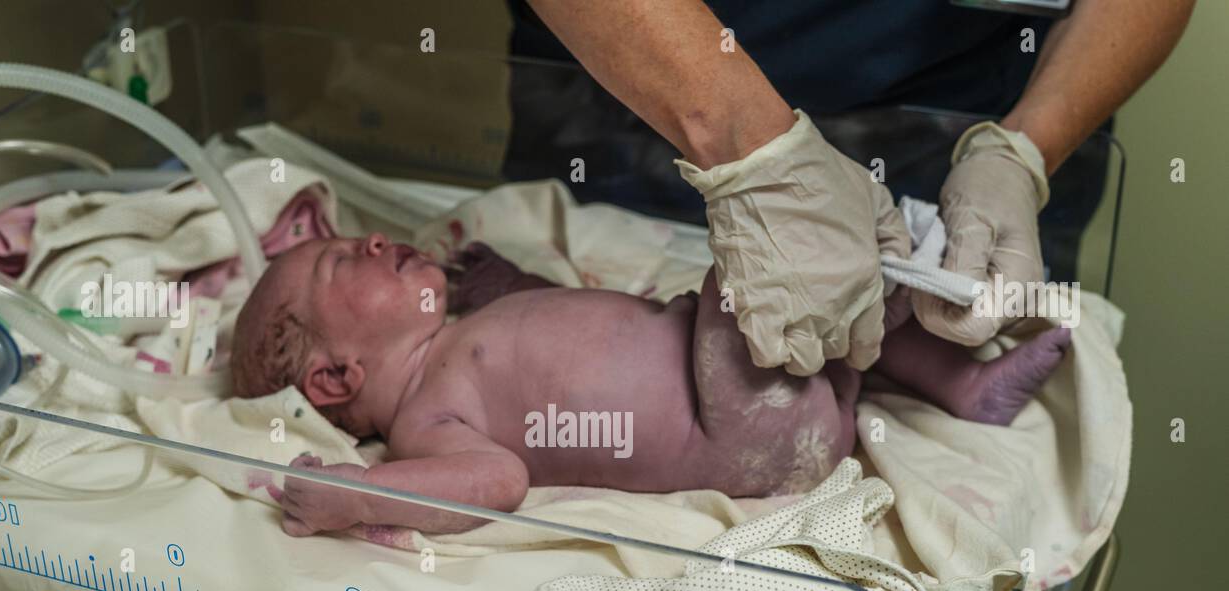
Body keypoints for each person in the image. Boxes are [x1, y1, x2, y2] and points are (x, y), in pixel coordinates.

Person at [229, 235, 1071, 537]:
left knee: (831, 316)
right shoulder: (427, 419)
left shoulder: (462, 332)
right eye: (345, 261)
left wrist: (494, 276)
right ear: (336, 377)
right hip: (728, 419)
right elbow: (496, 483)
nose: (375, 241)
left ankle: (962, 382)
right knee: (764, 268)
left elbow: (548, 319)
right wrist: (365, 495)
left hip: (752, 393)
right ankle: (923, 351)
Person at [503, 0, 1194, 368]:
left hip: (966, 109)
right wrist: (756, 155)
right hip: (633, 87)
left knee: (938, 347)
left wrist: (1022, 154)